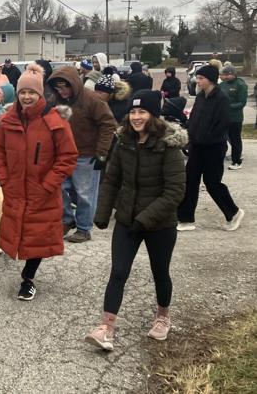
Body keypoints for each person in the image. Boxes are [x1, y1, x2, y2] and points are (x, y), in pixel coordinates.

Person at [87, 90, 187, 351]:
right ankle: (106, 327)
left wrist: (145, 219)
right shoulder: (124, 142)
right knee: (118, 272)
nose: (136, 117)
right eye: (132, 111)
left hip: (160, 224)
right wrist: (102, 213)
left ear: (153, 115)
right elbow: (112, 179)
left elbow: (175, 191)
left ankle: (163, 317)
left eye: (142, 112)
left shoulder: (169, 146)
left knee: (160, 271)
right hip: (127, 220)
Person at [0, 64, 78, 300]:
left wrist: (48, 184)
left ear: (40, 94)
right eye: (23, 92)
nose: (27, 97)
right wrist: (4, 178)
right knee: (20, 231)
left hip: (43, 192)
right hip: (15, 189)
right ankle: (26, 272)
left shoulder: (54, 120)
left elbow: (68, 156)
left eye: (32, 92)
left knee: (38, 235)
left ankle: (28, 278)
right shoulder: (8, 120)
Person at [47, 65, 117, 243]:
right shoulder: (55, 100)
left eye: (65, 87)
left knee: (85, 193)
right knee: (58, 187)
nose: (61, 91)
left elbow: (108, 124)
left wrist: (102, 153)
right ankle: (67, 219)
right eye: (58, 88)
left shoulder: (92, 99)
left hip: (87, 154)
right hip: (62, 154)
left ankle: (84, 228)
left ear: (74, 84)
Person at [177, 62, 245, 232]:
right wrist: (188, 136)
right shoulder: (201, 97)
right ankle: (185, 219)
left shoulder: (222, 99)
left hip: (214, 148)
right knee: (190, 180)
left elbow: (222, 125)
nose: (198, 81)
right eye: (197, 78)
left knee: (212, 183)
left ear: (211, 80)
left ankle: (234, 212)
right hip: (197, 147)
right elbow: (194, 119)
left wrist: (204, 139)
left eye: (201, 78)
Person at [219, 64, 248, 170]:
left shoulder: (240, 85)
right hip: (223, 117)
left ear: (233, 74)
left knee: (235, 139)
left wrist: (228, 106)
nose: (224, 77)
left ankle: (236, 161)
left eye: (227, 75)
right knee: (221, 138)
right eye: (223, 74)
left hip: (235, 118)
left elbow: (242, 103)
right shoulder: (222, 85)